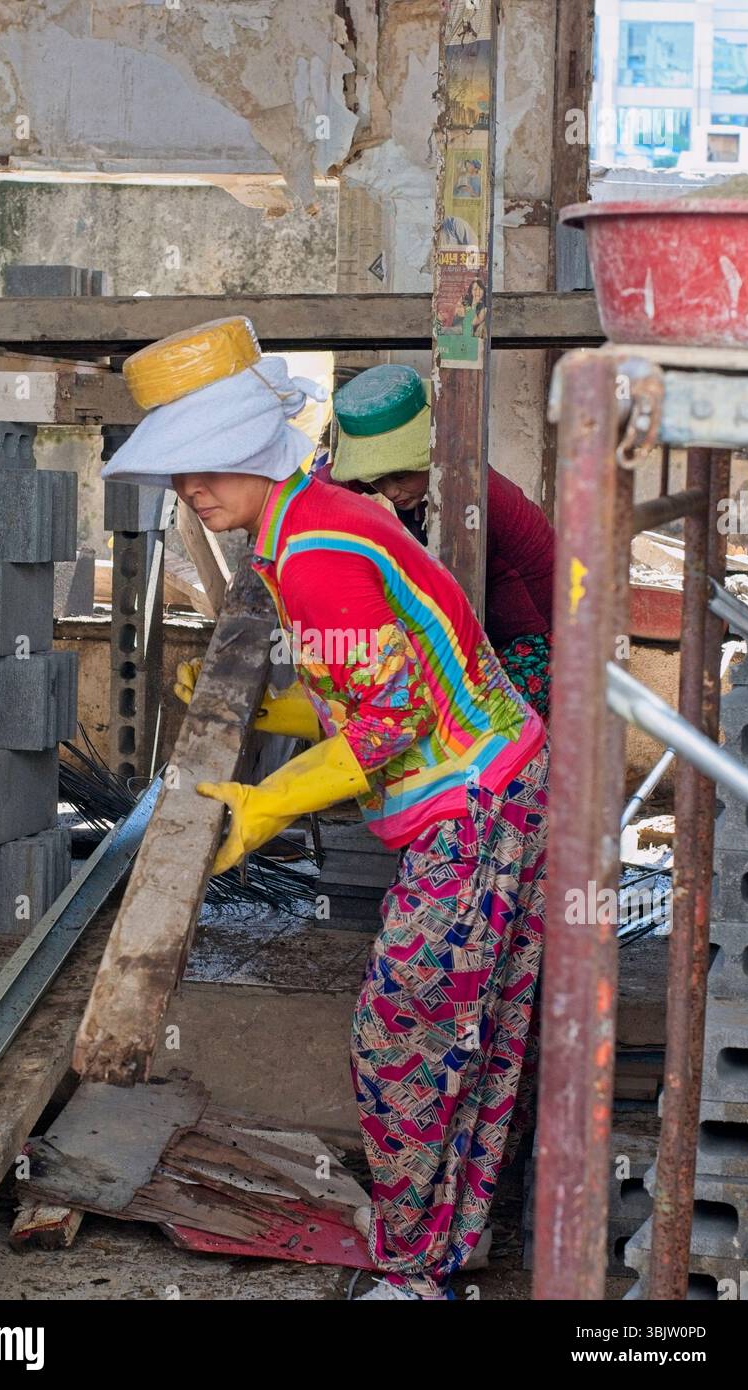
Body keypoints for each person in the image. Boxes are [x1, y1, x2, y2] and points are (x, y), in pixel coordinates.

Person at [103, 319, 549, 1301]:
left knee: (398, 1038)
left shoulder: (309, 553)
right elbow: (381, 676)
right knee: (464, 1032)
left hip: (472, 806)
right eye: (180, 472)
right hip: (497, 784)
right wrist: (281, 709)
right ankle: (440, 1258)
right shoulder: (311, 520)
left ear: (257, 450)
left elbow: (389, 723)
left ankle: (418, 1272)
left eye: (206, 465)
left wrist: (269, 800)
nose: (191, 488)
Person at [324, 363, 554, 720]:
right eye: (376, 480)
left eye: (398, 475)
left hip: (540, 638)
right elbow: (330, 486)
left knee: (480, 722)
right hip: (490, 630)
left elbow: (443, 601)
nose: (390, 491)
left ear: (432, 453)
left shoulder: (473, 499)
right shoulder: (422, 485)